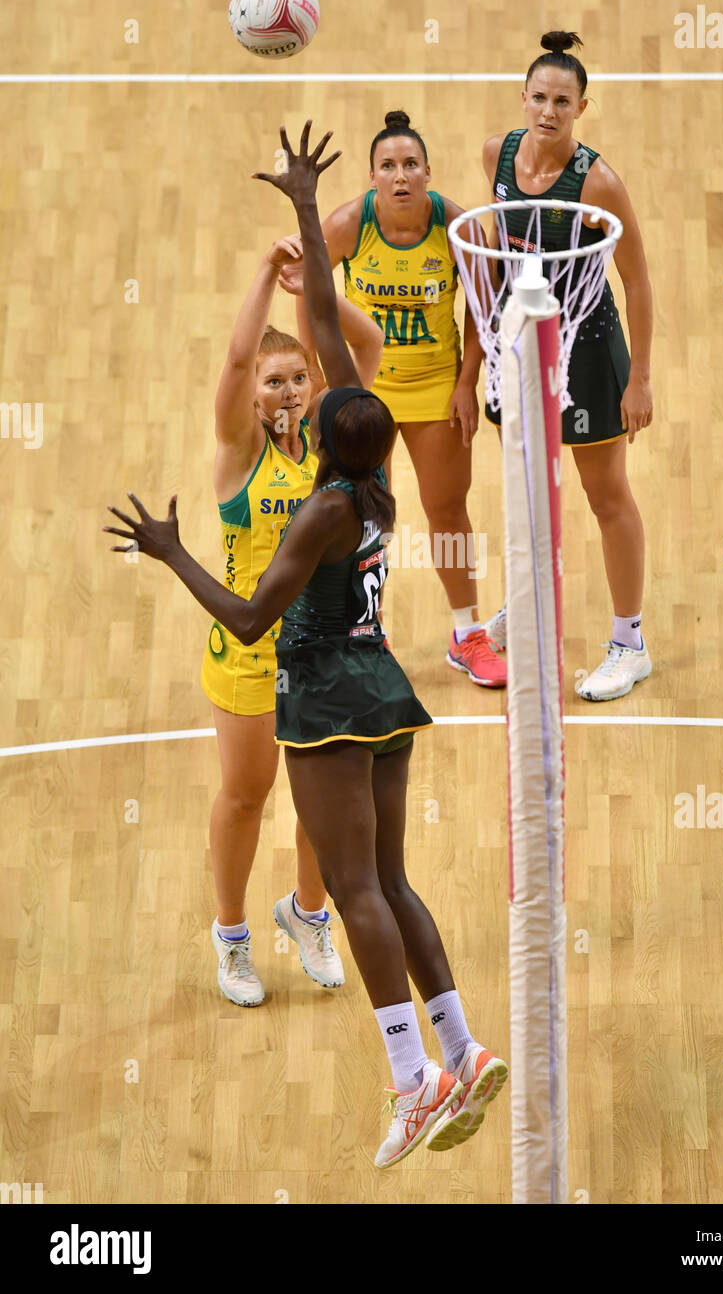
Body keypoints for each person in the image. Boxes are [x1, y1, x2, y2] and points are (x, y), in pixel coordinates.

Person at [105, 121, 507, 1167]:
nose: (313, 389)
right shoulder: (372, 480)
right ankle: (462, 1046)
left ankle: (414, 1079)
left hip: (324, 689)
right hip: (381, 684)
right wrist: (302, 208)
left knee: (359, 889)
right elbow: (328, 325)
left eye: (318, 397)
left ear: (328, 424)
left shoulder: (327, 506)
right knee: (396, 882)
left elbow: (247, 618)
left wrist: (172, 552)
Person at [199, 232, 383, 1006]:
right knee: (248, 794)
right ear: (252, 397)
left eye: (297, 378)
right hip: (246, 654)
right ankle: (231, 937)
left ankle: (309, 914)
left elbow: (365, 345)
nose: (285, 390)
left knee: (319, 799)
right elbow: (237, 362)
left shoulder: (333, 446)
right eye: (273, 381)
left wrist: (316, 284)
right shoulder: (240, 454)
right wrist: (262, 276)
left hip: (320, 655)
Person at [304, 110, 506, 687]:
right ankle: (368, 631)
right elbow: (311, 290)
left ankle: (467, 635)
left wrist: (468, 382)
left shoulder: (458, 227)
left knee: (447, 511)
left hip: (437, 387)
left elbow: (482, 311)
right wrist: (320, 379)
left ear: (427, 172)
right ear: (372, 178)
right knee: (366, 515)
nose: (400, 176)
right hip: (367, 392)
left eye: (410, 165)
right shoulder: (348, 225)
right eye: (388, 166)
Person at [481, 31, 654, 702]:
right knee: (528, 494)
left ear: (582, 108)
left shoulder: (598, 182)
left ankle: (629, 642)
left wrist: (639, 377)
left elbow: (636, 279)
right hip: (524, 345)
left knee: (605, 496)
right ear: (522, 98)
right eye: (539, 98)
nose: (548, 111)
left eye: (563, 101)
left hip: (588, 350)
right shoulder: (496, 155)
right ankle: (526, 609)